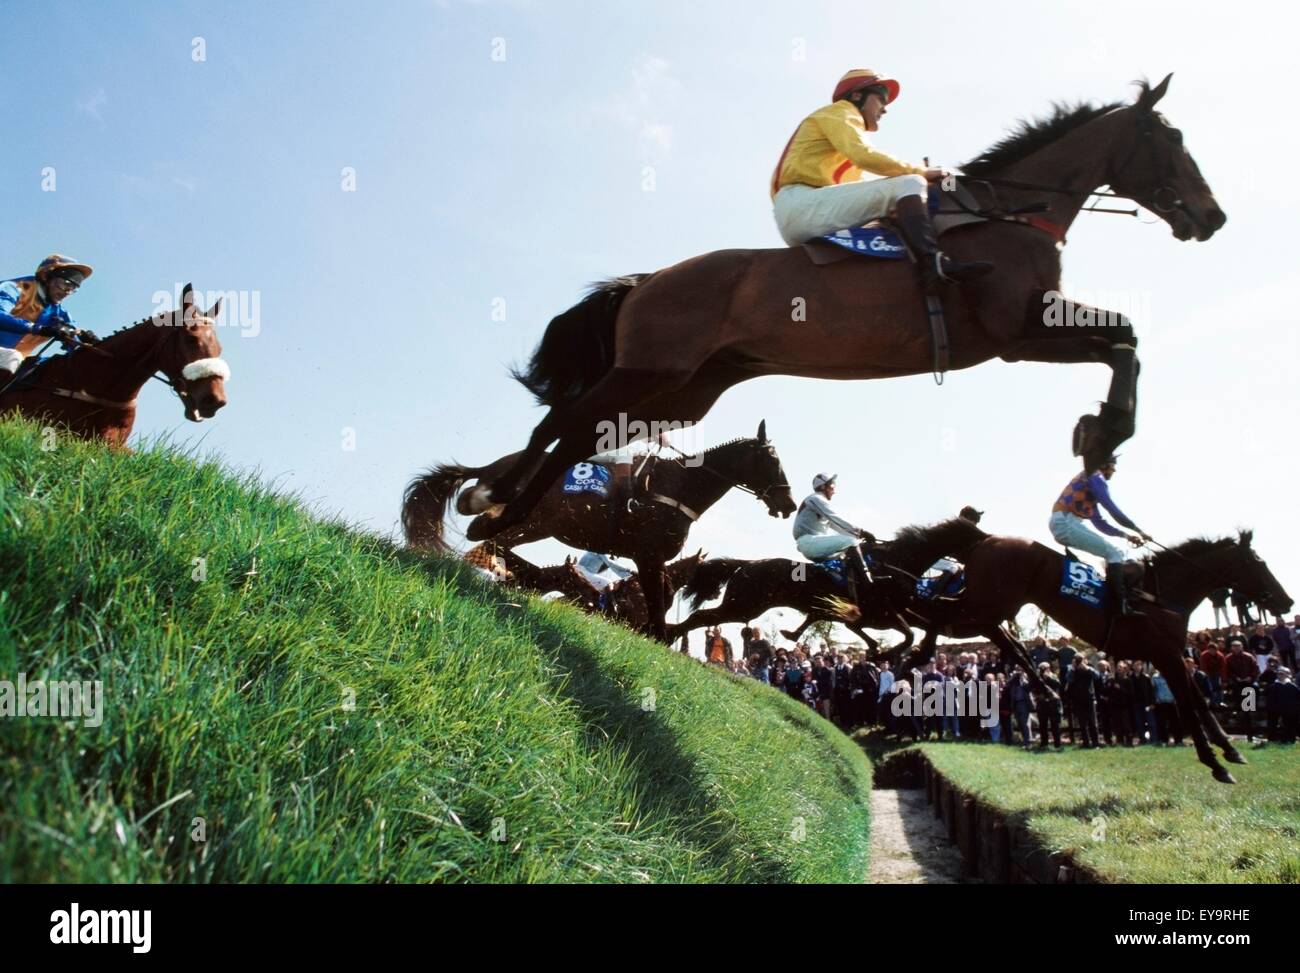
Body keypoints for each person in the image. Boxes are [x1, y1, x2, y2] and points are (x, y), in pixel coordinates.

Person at [770, 69, 993, 289]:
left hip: (806, 209)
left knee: (901, 194)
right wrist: (921, 172)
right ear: (857, 95)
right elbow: (865, 156)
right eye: (881, 98)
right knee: (910, 183)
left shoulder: (840, 144)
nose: (884, 109)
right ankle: (933, 264)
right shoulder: (841, 111)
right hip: (802, 206)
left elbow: (867, 186)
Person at [1048, 455, 1151, 615]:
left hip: (1065, 522)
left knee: (1115, 553)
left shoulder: (1089, 488)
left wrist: (1125, 535)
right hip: (1066, 522)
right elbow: (1111, 507)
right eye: (1112, 466)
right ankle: (1119, 606)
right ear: (1103, 465)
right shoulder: (1096, 476)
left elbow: (1100, 524)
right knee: (1114, 553)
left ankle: (1111, 598)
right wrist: (1138, 529)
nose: (1114, 470)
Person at [0, 254, 99, 377]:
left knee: (52, 368)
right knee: (11, 358)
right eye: (65, 284)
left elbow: (74, 345)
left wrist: (90, 344)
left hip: (18, 360)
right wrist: (37, 328)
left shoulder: (60, 313)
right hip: (10, 358)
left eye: (72, 288)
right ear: (47, 277)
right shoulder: (13, 288)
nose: (66, 292)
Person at [792, 472, 877, 611]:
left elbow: (837, 526)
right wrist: (861, 532)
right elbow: (836, 519)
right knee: (851, 542)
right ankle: (868, 580)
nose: (834, 489)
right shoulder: (816, 499)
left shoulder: (818, 502)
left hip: (813, 542)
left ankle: (851, 595)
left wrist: (859, 536)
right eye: (832, 485)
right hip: (809, 542)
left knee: (852, 545)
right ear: (824, 486)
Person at [1067, 655, 1101, 748]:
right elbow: (1068, 680)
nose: (1078, 663)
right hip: (1078, 700)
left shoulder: (1089, 670)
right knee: (1082, 723)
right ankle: (1086, 743)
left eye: (1079, 661)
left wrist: (1087, 668)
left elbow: (1097, 677)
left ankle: (1095, 743)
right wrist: (1073, 669)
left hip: (1089, 699)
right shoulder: (1073, 671)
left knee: (1092, 723)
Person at [1034, 662, 1063, 749]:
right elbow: (1033, 688)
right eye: (1041, 668)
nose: (1043, 670)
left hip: (1053, 703)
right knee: (1043, 725)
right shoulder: (1038, 678)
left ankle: (1057, 744)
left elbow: (1058, 684)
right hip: (1042, 704)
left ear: (1048, 668)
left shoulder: (1053, 676)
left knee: (1055, 725)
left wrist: (1049, 677)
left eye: (1044, 668)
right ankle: (1044, 744)